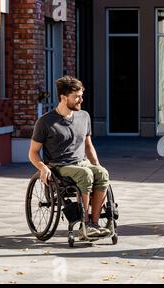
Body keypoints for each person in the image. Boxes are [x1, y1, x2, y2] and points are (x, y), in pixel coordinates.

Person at [28, 76, 110, 239]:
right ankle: (84, 225)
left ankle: (93, 225)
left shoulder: (84, 116)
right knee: (85, 174)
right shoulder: (45, 122)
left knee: (102, 173)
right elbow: (33, 152)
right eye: (77, 96)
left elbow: (88, 145)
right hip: (60, 166)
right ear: (63, 98)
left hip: (82, 162)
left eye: (81, 95)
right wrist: (42, 167)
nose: (81, 99)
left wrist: (97, 165)